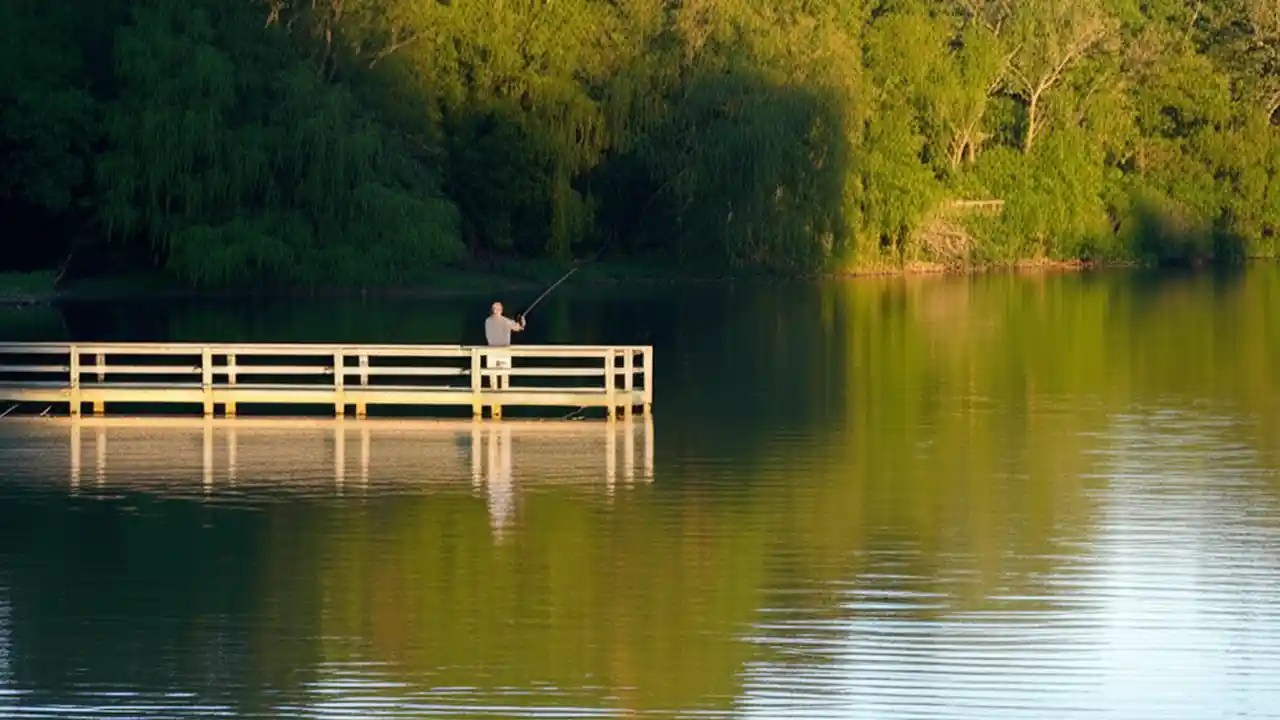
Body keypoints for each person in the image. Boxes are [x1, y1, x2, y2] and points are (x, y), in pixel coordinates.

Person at [483, 301, 525, 389]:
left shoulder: (487, 321)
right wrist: (522, 321)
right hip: (504, 351)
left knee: (492, 375)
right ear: (501, 310)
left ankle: (493, 391)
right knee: (504, 375)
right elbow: (519, 328)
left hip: (491, 351)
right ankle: (504, 390)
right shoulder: (506, 321)